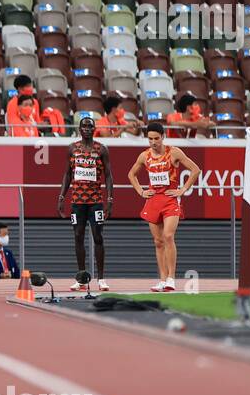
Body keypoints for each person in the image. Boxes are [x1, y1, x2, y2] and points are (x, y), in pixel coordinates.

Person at [127, 120, 200, 292]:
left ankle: (171, 278)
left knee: (168, 236)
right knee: (158, 241)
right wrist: (141, 191)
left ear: (163, 137)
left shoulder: (174, 152)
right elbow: (131, 174)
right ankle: (161, 279)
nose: (153, 142)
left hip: (170, 199)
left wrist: (182, 189)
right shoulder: (144, 156)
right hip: (153, 200)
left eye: (156, 139)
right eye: (150, 139)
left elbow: (195, 169)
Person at [58, 115, 114, 292]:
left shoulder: (101, 149)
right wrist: (61, 197)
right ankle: (82, 278)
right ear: (79, 129)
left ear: (94, 129)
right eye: (84, 126)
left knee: (98, 237)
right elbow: (67, 174)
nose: (87, 129)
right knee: (78, 237)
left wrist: (110, 199)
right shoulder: (72, 149)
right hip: (77, 202)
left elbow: (109, 176)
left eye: (90, 126)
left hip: (96, 201)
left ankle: (102, 278)